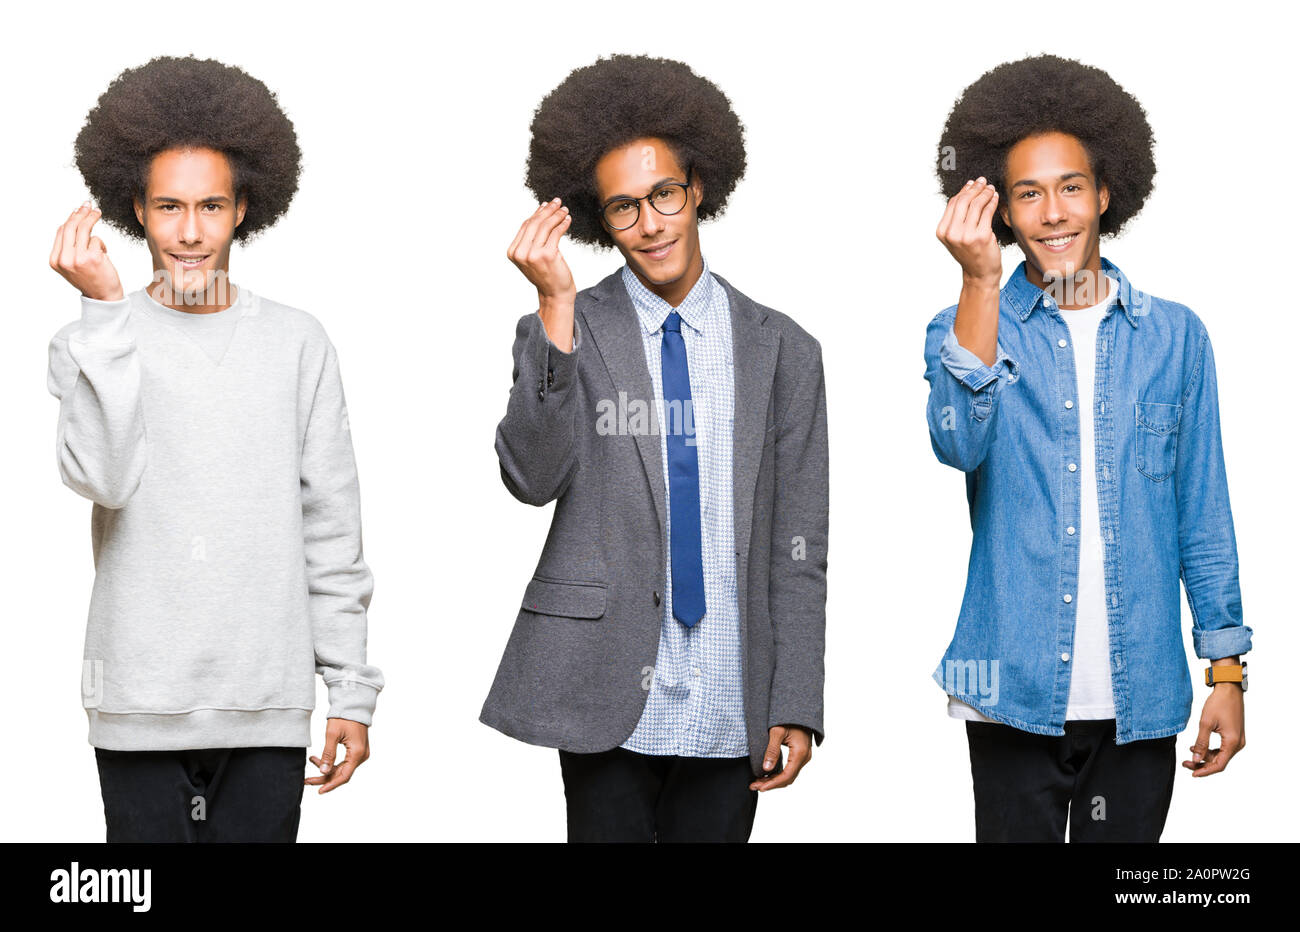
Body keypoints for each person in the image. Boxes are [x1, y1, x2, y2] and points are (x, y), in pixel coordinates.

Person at [483, 54, 829, 843]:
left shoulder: (785, 351)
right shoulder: (563, 332)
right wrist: (554, 306)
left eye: (665, 194)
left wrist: (796, 701)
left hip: (730, 687)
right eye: (624, 208)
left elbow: (800, 549)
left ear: (698, 187)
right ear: (598, 219)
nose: (651, 223)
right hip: (606, 682)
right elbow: (532, 479)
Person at [46, 55, 383, 842]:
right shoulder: (90, 339)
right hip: (137, 701)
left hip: (267, 705)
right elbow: (104, 477)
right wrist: (103, 315)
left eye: (210, 206)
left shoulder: (299, 343)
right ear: (136, 208)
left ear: (242, 211)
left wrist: (351, 691)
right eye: (168, 207)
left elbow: (331, 527)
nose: (190, 232)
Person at [924, 54, 1251, 842]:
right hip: (1009, 687)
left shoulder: (1176, 337)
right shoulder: (964, 325)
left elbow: (1200, 512)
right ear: (1001, 212)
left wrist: (1228, 670)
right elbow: (956, 446)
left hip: (1142, 696)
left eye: (1071, 187)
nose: (1053, 212)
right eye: (1026, 194)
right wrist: (979, 284)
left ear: (1106, 194)